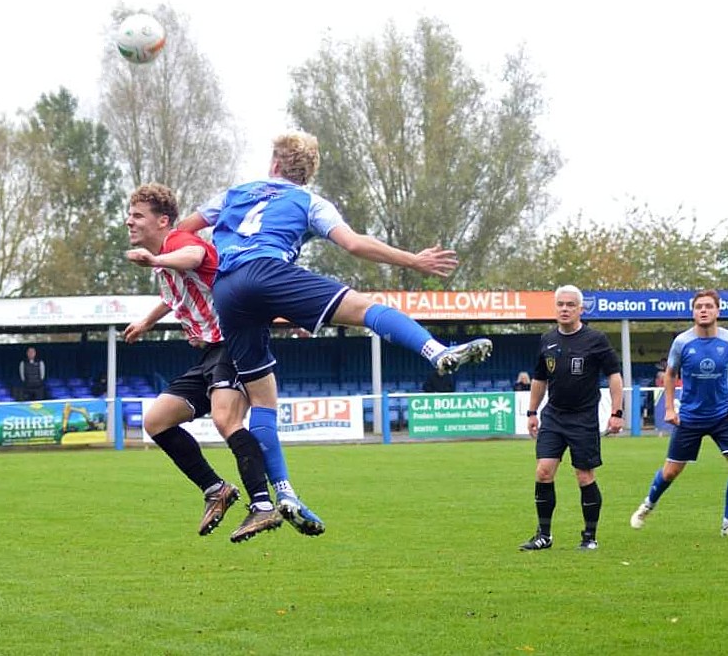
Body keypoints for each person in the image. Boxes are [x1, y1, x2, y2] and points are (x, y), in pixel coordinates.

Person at [180, 131, 493, 535]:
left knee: (261, 397)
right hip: (269, 272)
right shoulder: (310, 201)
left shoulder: (234, 193)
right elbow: (355, 244)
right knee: (365, 309)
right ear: (306, 173)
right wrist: (413, 261)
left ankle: (284, 492)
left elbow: (185, 232)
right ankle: (434, 351)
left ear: (274, 163)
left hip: (227, 291)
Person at [124, 183, 281, 543]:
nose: (128, 221)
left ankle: (262, 505)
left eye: (137, 215)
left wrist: (157, 259)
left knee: (227, 419)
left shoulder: (177, 243)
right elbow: (175, 296)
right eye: (129, 215)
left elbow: (195, 255)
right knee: (156, 421)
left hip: (235, 341)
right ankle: (215, 489)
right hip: (210, 352)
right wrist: (147, 321)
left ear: (163, 221)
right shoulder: (162, 264)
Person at [519, 285, 623, 552]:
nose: (565, 309)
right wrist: (532, 412)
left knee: (584, 475)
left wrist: (617, 412)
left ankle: (589, 537)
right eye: (560, 304)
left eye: (570, 305)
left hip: (584, 418)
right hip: (553, 416)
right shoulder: (547, 340)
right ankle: (544, 535)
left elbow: (614, 376)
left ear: (580, 309)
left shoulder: (596, 339)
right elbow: (540, 378)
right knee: (543, 472)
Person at [629, 290, 728, 535]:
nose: (703, 310)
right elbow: (671, 375)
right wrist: (671, 407)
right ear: (693, 312)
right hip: (690, 417)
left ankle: (727, 522)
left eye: (708, 306)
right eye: (699, 307)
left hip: (723, 414)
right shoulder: (682, 342)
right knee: (671, 471)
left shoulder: (727, 340)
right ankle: (647, 505)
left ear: (718, 310)